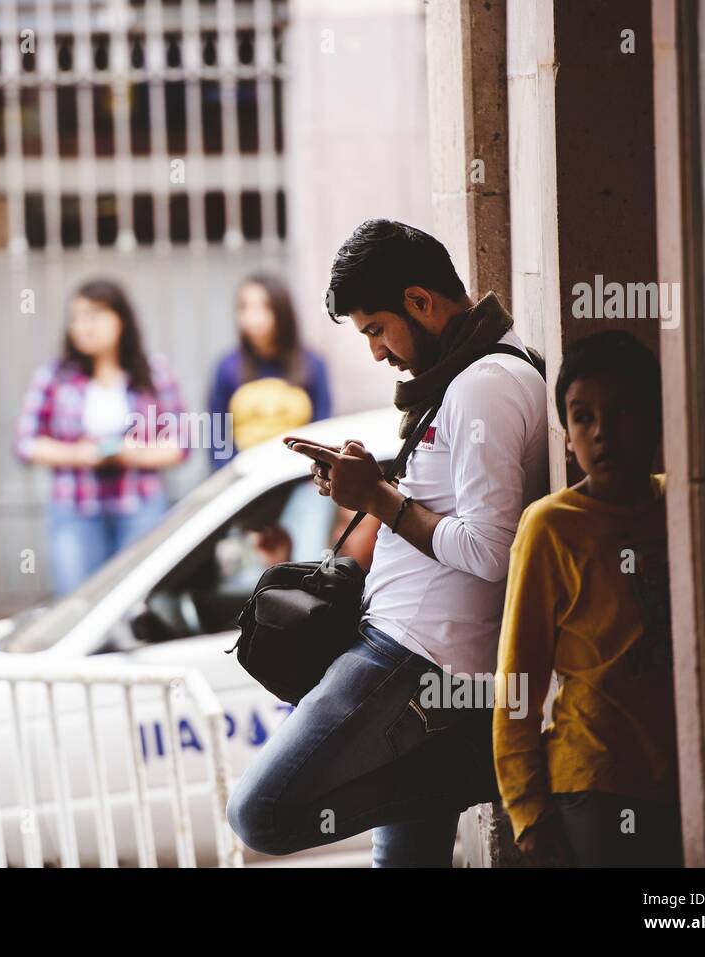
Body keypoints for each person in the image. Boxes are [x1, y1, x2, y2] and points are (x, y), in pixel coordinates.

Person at [224, 218, 549, 866]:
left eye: (376, 328)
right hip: (411, 649)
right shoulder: (460, 378)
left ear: (420, 301)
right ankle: (457, 771)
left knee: (261, 812)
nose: (376, 351)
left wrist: (377, 498)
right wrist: (371, 477)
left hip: (413, 657)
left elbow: (491, 548)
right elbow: (447, 501)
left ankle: (484, 771)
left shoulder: (484, 383)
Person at [493, 331, 680, 867]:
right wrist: (526, 808)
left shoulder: (684, 501)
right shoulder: (552, 526)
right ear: (568, 436)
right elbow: (519, 678)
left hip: (692, 771)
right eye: (583, 417)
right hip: (598, 780)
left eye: (622, 413)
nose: (603, 434)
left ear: (656, 419)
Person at [15, 279, 187, 596]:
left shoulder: (154, 372)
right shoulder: (54, 375)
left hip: (139, 506)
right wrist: (80, 454)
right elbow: (26, 443)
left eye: (93, 315)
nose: (82, 327)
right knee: (78, 601)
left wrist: (133, 453)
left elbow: (179, 445)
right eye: (76, 318)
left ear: (120, 319)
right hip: (75, 508)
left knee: (136, 600)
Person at [208, 274, 332, 469]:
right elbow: (217, 436)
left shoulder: (312, 364)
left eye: (262, 307)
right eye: (244, 307)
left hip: (299, 477)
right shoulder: (227, 367)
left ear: (281, 311)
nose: (252, 317)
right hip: (247, 481)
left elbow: (323, 427)